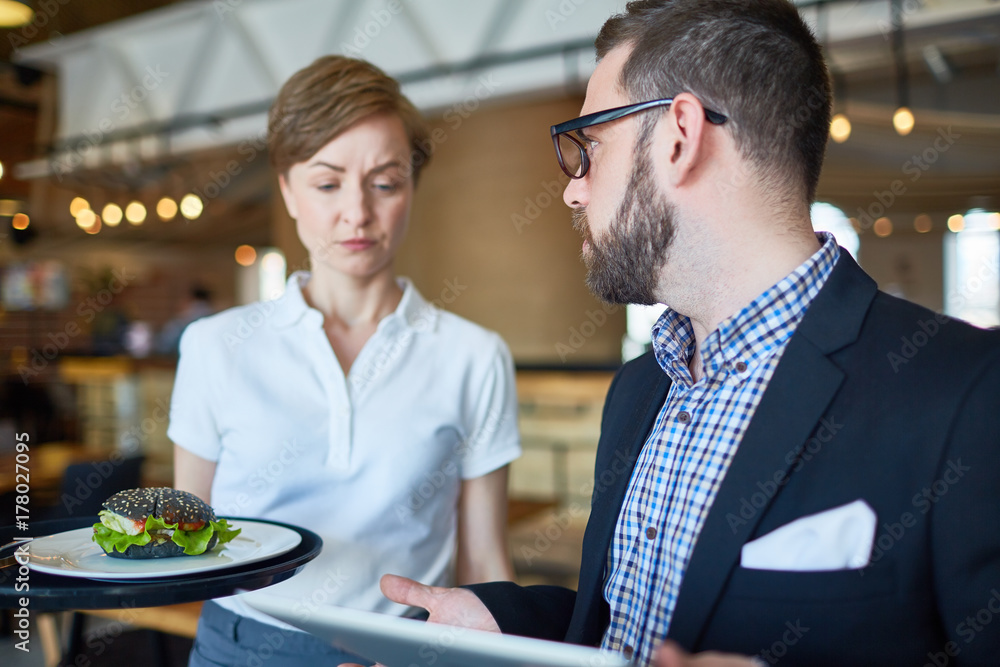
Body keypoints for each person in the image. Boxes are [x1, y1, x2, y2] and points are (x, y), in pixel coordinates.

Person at [357, 1, 1000, 666]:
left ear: (679, 135)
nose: (573, 192)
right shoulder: (639, 389)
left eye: (590, 148)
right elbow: (622, 621)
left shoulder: (969, 393)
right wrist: (505, 623)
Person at [170, 55, 521, 667]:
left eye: (384, 183)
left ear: (411, 188)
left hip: (406, 652)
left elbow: (485, 563)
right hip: (242, 649)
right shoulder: (214, 345)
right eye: (328, 183)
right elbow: (187, 539)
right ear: (287, 190)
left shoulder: (474, 357)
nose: (356, 213)